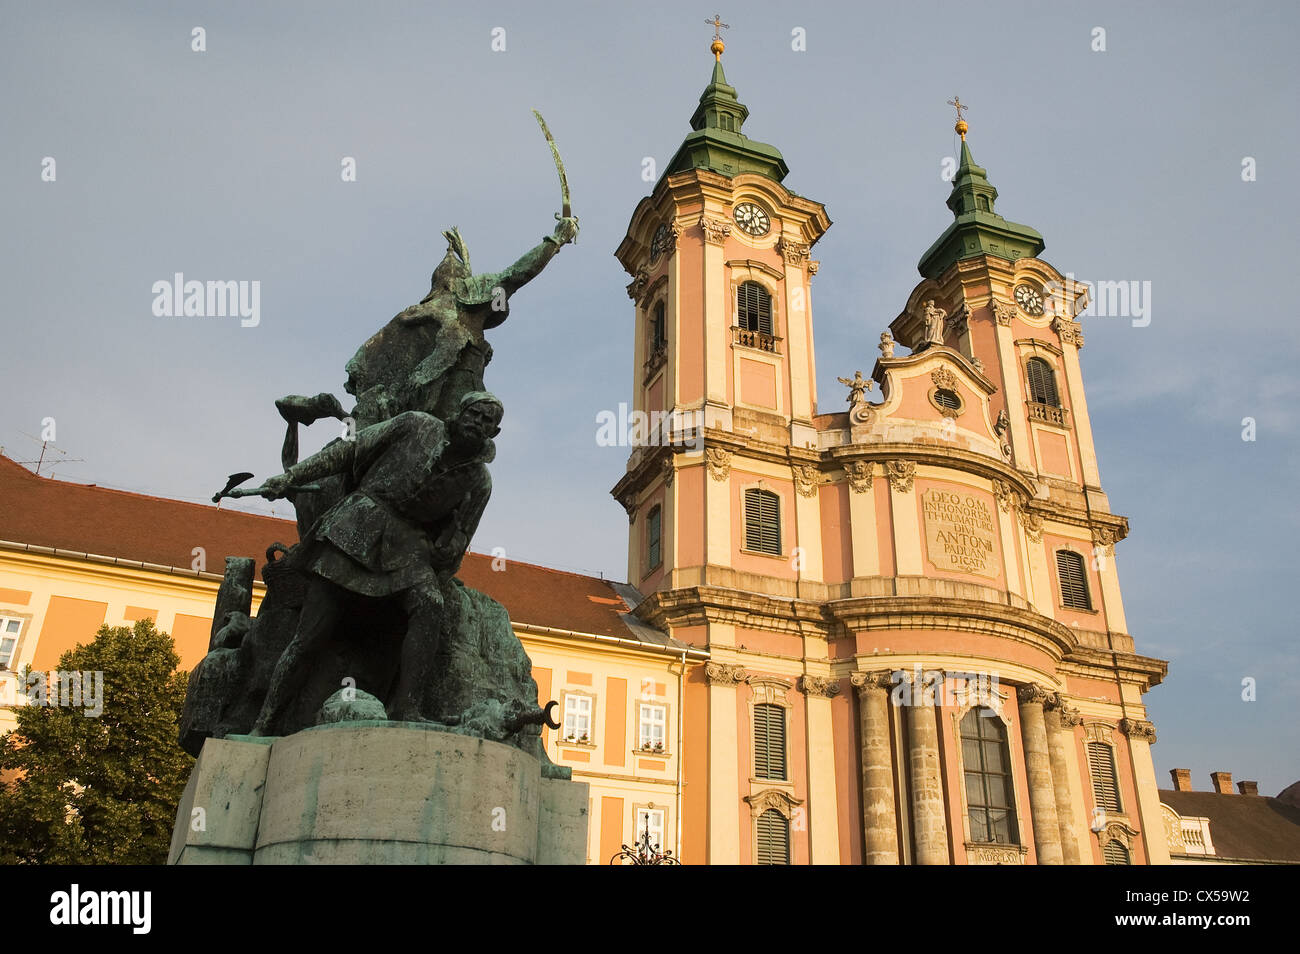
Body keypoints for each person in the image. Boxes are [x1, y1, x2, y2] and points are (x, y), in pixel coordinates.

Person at [248, 392, 504, 732]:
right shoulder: (415, 424)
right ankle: (264, 723)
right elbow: (352, 448)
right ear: (459, 412)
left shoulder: (479, 481)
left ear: (494, 433)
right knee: (310, 636)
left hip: (408, 545)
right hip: (357, 524)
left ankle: (407, 708)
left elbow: (460, 541)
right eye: (475, 414)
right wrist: (292, 477)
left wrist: (446, 549)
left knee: (429, 603)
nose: (479, 423)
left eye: (489, 421)